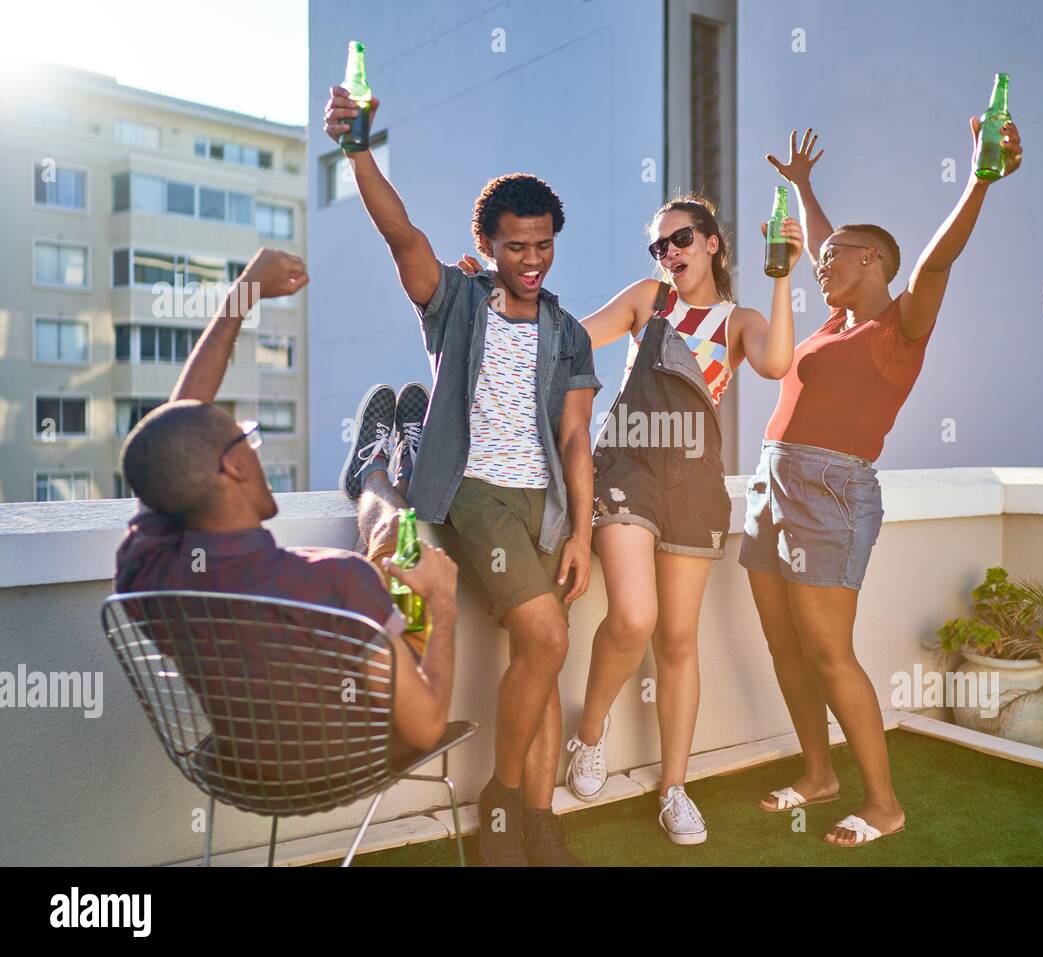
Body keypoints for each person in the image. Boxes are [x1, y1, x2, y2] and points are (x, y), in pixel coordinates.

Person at [461, 195, 799, 844]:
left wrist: (783, 275)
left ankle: (675, 786)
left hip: (696, 483)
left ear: (713, 244)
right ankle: (590, 735)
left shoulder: (738, 320)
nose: (670, 253)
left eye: (682, 239)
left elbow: (778, 363)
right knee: (634, 618)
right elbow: (568, 336)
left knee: (676, 639)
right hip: (625, 469)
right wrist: (490, 293)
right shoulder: (651, 300)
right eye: (660, 245)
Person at [323, 87, 601, 866]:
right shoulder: (457, 301)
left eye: (543, 245)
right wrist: (358, 151)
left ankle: (540, 822)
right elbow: (397, 233)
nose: (532, 260)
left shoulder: (569, 332)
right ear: (486, 243)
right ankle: (503, 801)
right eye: (516, 247)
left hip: (541, 504)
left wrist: (581, 529)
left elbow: (576, 437)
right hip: (472, 490)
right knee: (547, 633)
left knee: (543, 659)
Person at [741, 122, 1023, 846]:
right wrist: (804, 187)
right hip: (772, 482)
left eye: (831, 259)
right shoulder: (836, 320)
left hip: (830, 492)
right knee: (784, 646)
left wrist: (980, 177)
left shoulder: (900, 325)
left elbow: (933, 262)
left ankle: (884, 802)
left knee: (831, 653)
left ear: (872, 263)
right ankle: (818, 772)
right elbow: (831, 236)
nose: (816, 264)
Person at [115, 248, 460, 774]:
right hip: (352, 759)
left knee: (373, 575)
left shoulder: (144, 569)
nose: (256, 449)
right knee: (396, 535)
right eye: (246, 440)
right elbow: (426, 726)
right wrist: (443, 600)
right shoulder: (336, 582)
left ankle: (379, 477)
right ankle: (381, 480)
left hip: (242, 766)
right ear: (232, 467)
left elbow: (173, 438)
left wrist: (241, 299)